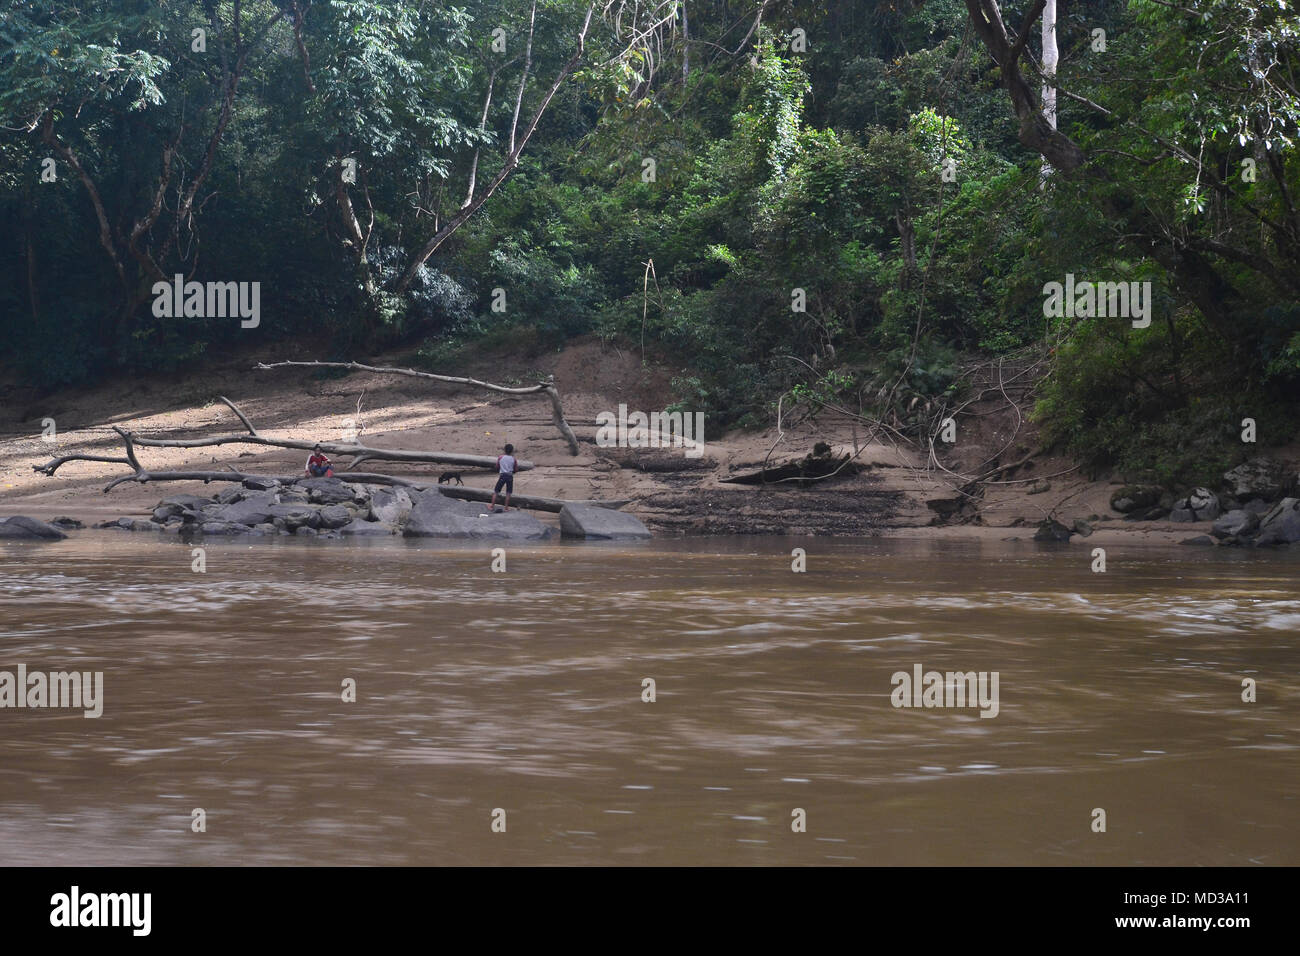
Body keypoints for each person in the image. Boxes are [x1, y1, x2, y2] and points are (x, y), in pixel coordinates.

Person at [489, 443, 517, 512]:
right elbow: (515, 469)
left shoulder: (500, 457)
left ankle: (492, 506)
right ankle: (506, 508)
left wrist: (499, 469)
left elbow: (497, 466)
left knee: (496, 491)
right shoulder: (514, 459)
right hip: (510, 476)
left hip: (502, 475)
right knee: (508, 493)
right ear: (512, 451)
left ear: (504, 450)